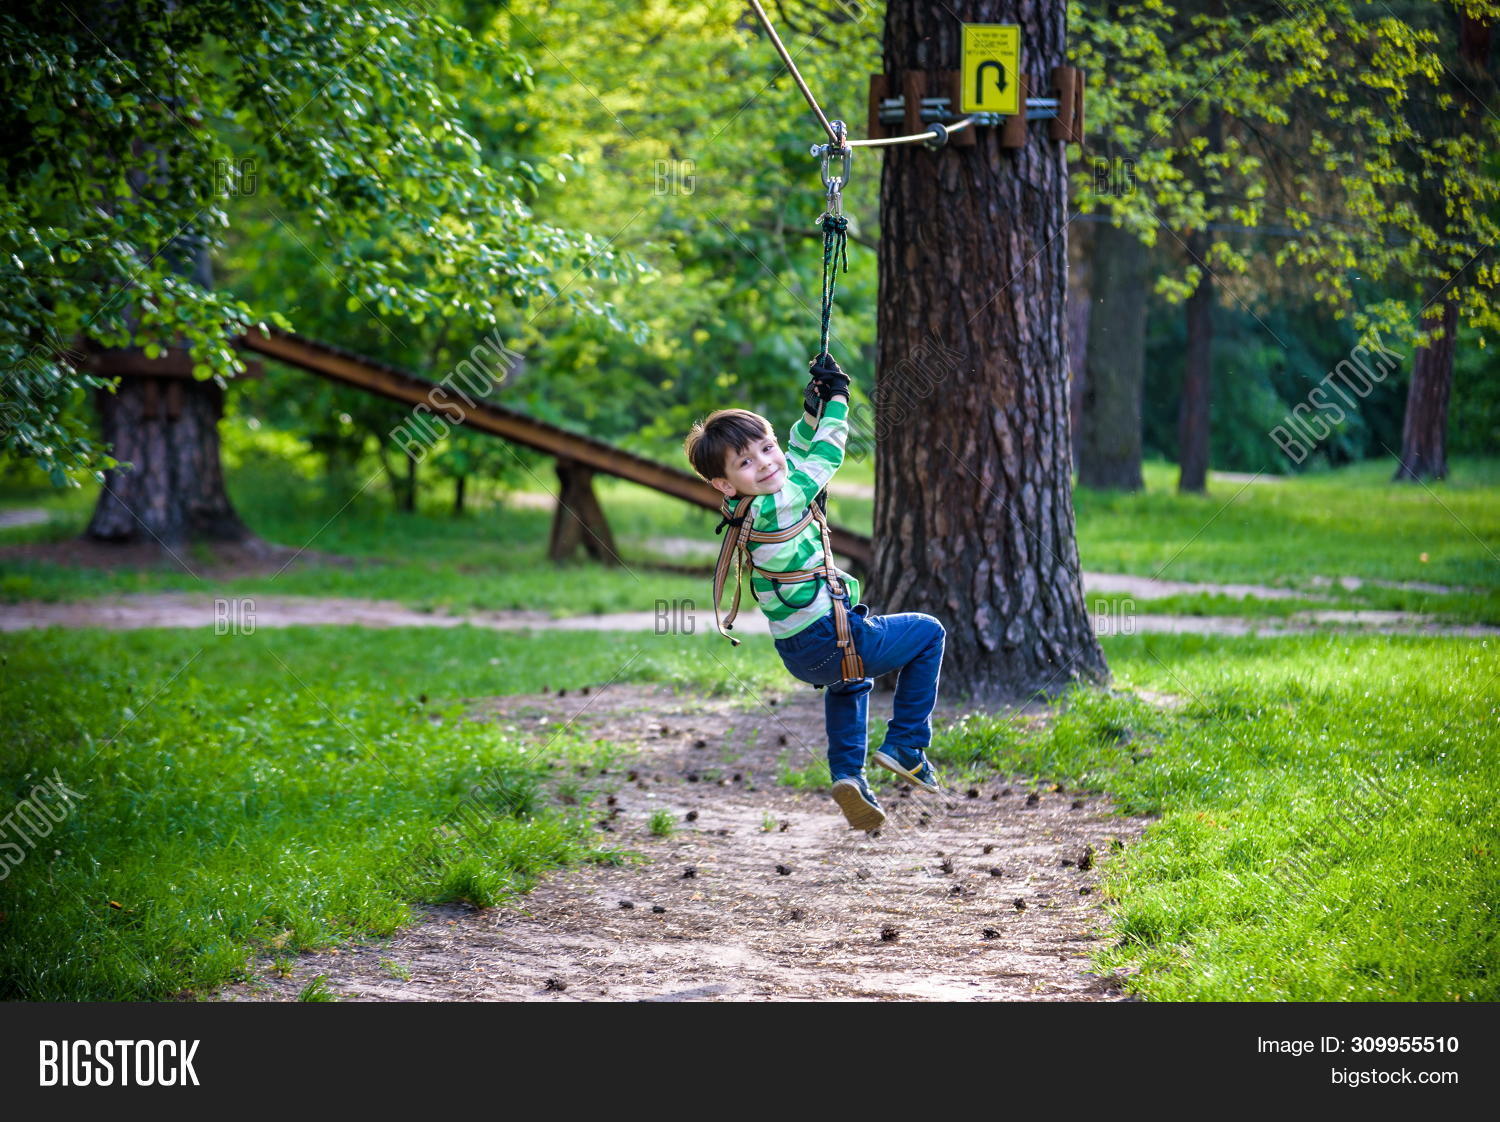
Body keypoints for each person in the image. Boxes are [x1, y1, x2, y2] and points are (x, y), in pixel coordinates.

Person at [682, 355, 947, 831]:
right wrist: (839, 401)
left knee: (848, 683)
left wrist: (811, 411)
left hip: (801, 652)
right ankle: (907, 745)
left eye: (767, 448)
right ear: (725, 481)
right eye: (746, 462)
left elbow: (797, 457)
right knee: (929, 633)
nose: (764, 463)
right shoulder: (781, 502)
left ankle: (849, 777)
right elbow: (824, 457)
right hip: (832, 633)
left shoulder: (741, 506)